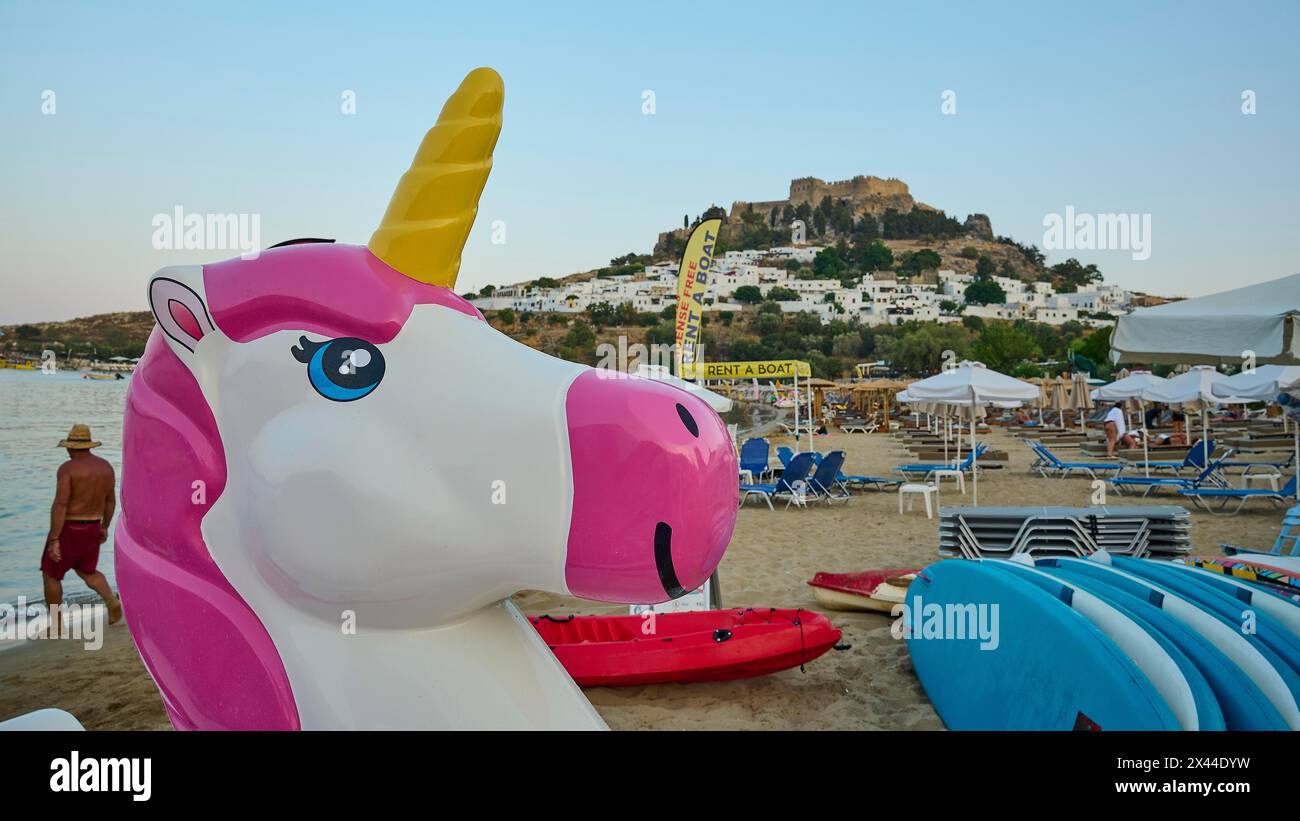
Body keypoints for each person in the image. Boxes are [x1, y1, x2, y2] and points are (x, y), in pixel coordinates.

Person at [42, 424, 122, 636]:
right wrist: (104, 527)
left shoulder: (67, 469)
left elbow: (61, 503)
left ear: (71, 448)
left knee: (51, 575)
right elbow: (111, 501)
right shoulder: (105, 468)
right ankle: (112, 601)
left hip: (70, 527)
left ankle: (57, 624)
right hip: (93, 526)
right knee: (87, 571)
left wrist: (54, 538)